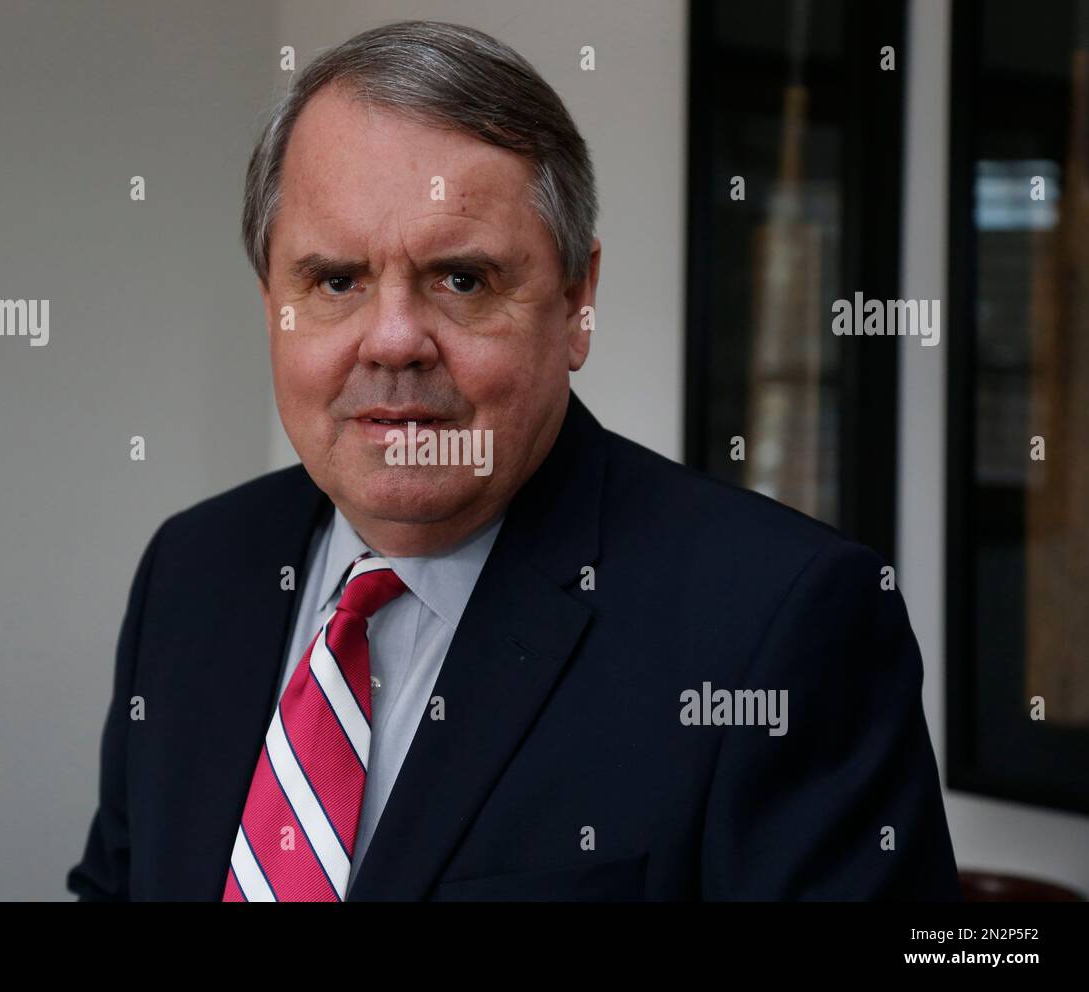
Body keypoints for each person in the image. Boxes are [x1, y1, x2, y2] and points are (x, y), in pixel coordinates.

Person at [67, 19, 960, 901]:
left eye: (462, 279)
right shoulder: (191, 570)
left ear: (577, 303)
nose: (394, 341)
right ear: (273, 305)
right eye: (335, 281)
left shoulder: (782, 628)